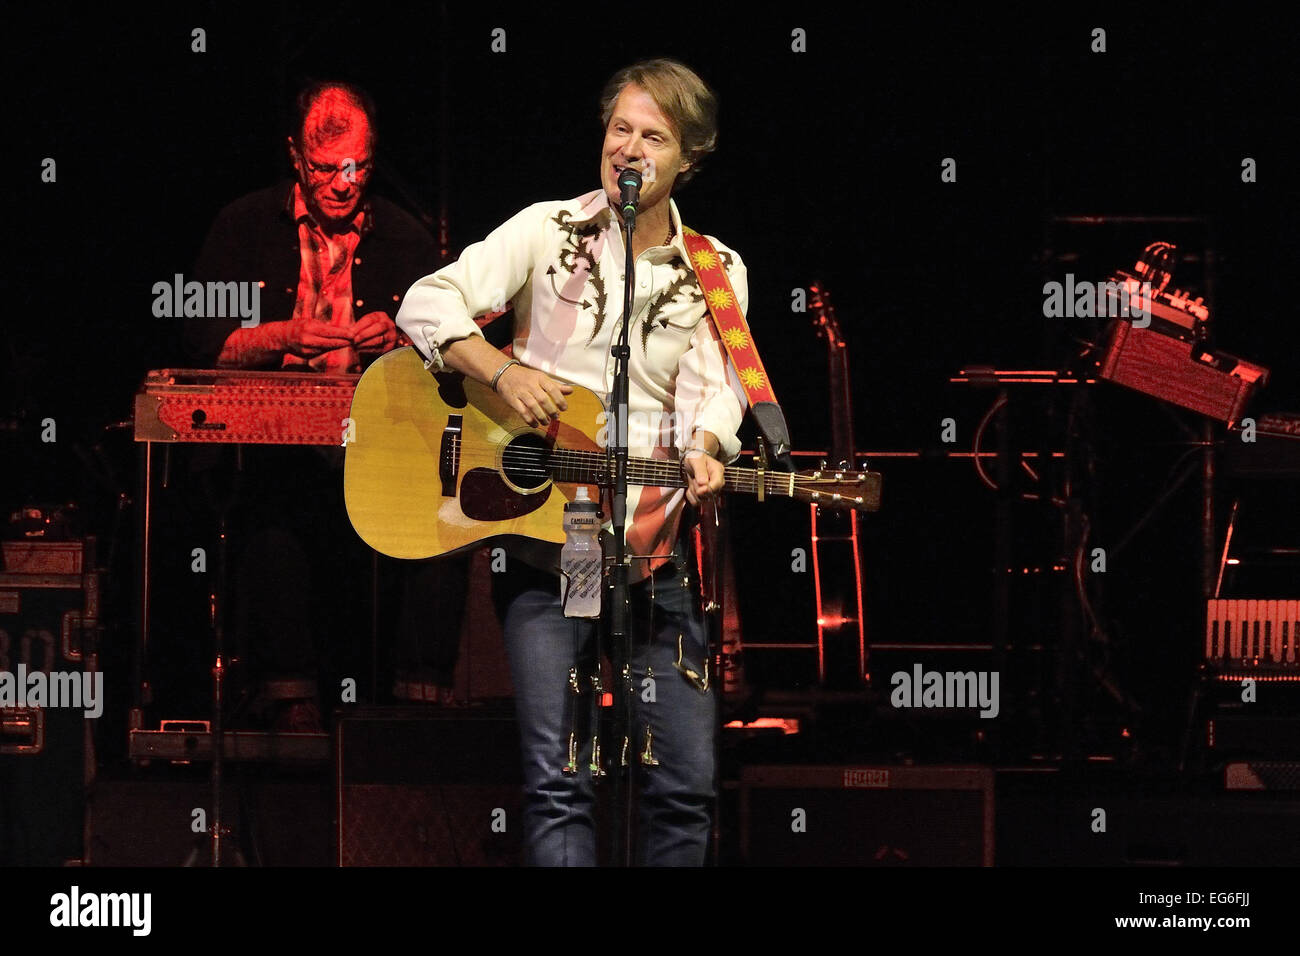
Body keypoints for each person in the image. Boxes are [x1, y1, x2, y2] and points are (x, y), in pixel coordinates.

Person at [396, 58, 749, 865]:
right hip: (549, 554)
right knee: (559, 787)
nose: (629, 148)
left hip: (655, 560)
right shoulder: (545, 231)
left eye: (653, 136)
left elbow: (719, 393)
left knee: (686, 789)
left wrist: (705, 447)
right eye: (620, 128)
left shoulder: (716, 269)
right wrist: (501, 371)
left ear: (689, 157)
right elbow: (425, 302)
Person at [186, 81, 469, 729]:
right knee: (274, 501)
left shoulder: (406, 238)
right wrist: (280, 337)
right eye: (324, 168)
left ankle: (417, 703)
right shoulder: (243, 225)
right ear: (295, 155)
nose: (343, 184)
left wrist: (398, 339)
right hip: (270, 449)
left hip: (377, 444)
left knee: (451, 510)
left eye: (357, 167)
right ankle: (289, 696)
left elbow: (450, 353)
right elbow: (202, 342)